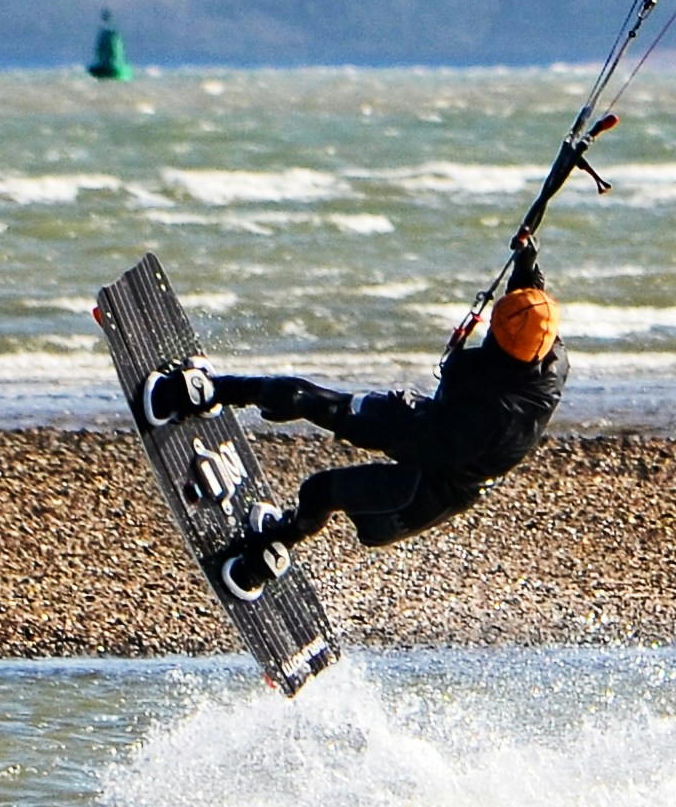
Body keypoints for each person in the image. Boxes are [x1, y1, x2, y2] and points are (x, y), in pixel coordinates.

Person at [207, 242, 564, 591]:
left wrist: (315, 410)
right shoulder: (549, 355)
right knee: (319, 404)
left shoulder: (488, 416)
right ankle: (221, 390)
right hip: (436, 423)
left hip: (429, 485)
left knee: (319, 488)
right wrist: (526, 266)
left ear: (500, 343)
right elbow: (532, 315)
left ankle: (273, 547)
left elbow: (405, 437)